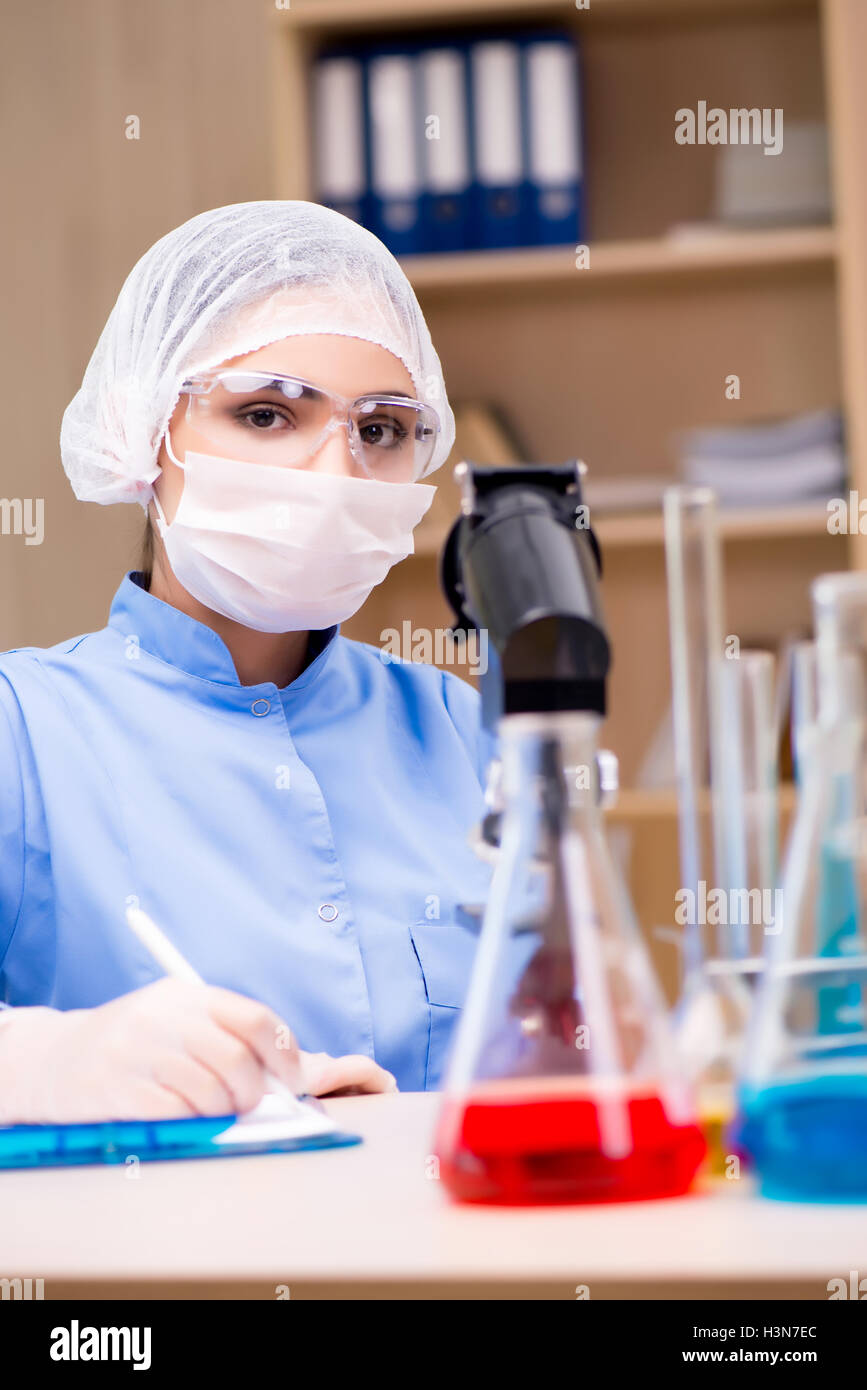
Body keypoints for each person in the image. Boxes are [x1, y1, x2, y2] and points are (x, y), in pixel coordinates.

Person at [0, 201, 495, 1125]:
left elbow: (586, 1048)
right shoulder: (24, 733)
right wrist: (51, 1060)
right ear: (143, 434)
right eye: (266, 414)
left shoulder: (464, 731)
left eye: (381, 430)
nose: (335, 473)